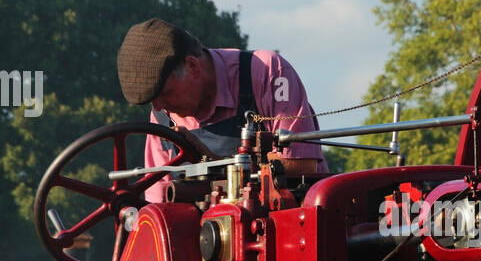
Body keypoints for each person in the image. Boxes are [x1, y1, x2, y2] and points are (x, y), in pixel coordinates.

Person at [116, 18, 328, 197]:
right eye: (153, 100)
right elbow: (158, 202)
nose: (159, 106)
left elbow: (302, 164)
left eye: (165, 94)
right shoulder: (162, 117)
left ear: (192, 67)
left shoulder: (266, 73)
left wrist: (210, 161)